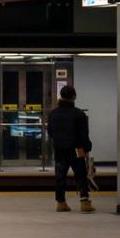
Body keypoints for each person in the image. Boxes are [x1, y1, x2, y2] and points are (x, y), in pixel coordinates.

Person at [48, 85, 94, 213]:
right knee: (81, 175)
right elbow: (84, 134)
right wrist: (87, 147)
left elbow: (50, 132)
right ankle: (85, 202)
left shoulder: (53, 114)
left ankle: (61, 202)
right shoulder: (79, 114)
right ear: (74, 96)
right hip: (77, 149)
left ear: (61, 96)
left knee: (60, 176)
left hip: (59, 149)